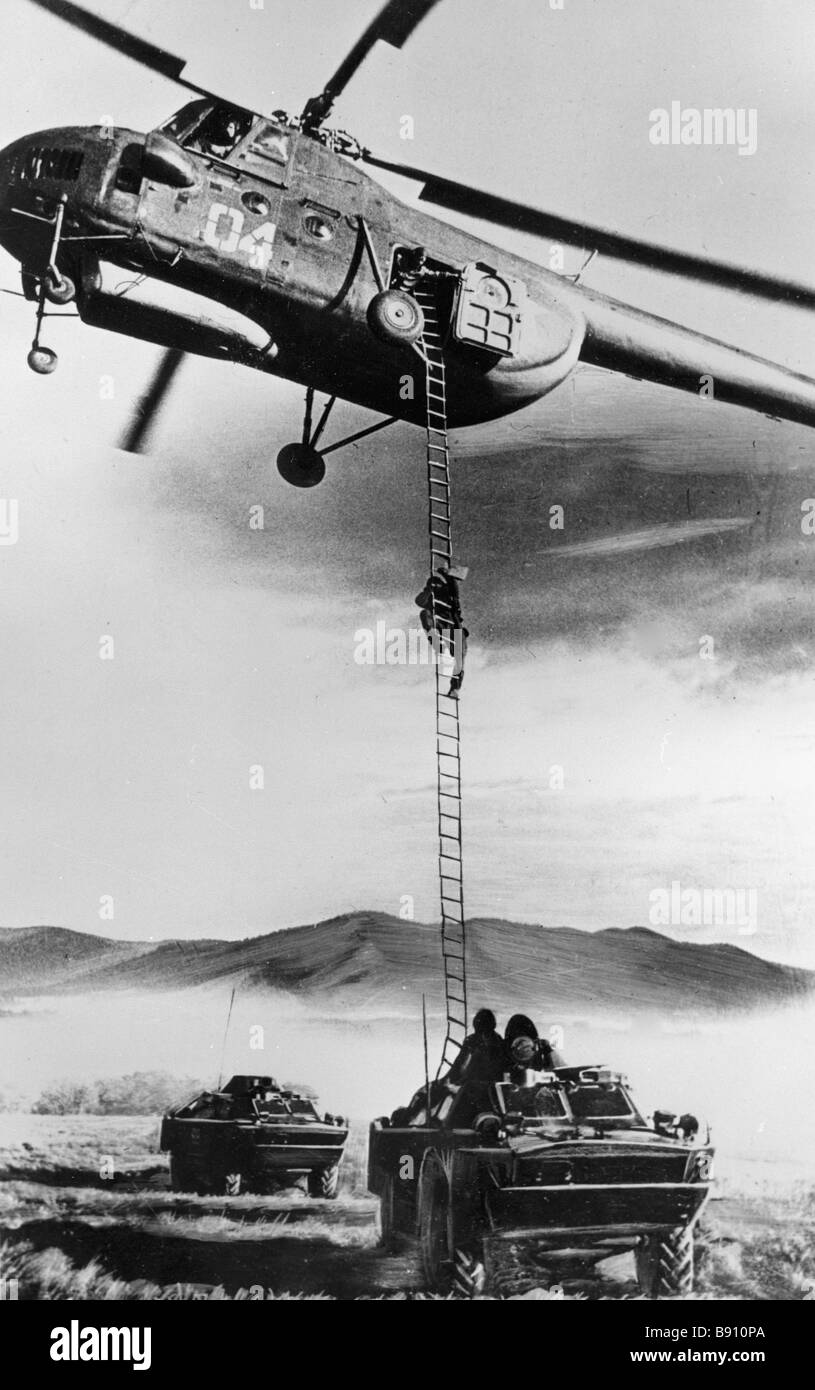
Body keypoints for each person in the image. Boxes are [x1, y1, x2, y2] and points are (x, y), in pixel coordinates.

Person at [415, 562, 469, 697]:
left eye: (439, 585)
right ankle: (435, 640)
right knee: (424, 614)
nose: (438, 588)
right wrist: (429, 590)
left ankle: (454, 689)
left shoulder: (450, 595)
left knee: (460, 658)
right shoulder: (431, 598)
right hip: (438, 622)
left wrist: (447, 574)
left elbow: (454, 588)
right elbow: (419, 602)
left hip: (453, 626)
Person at [443, 1008, 504, 1087]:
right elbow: (459, 1063)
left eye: (486, 1033)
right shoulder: (472, 1040)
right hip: (471, 1082)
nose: (482, 1036)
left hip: (489, 1085)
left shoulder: (498, 1043)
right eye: (479, 1032)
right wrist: (448, 1078)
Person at [503, 1014, 564, 1081]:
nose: (523, 1047)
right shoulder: (503, 1052)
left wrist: (549, 1052)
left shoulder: (542, 1048)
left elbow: (563, 1071)